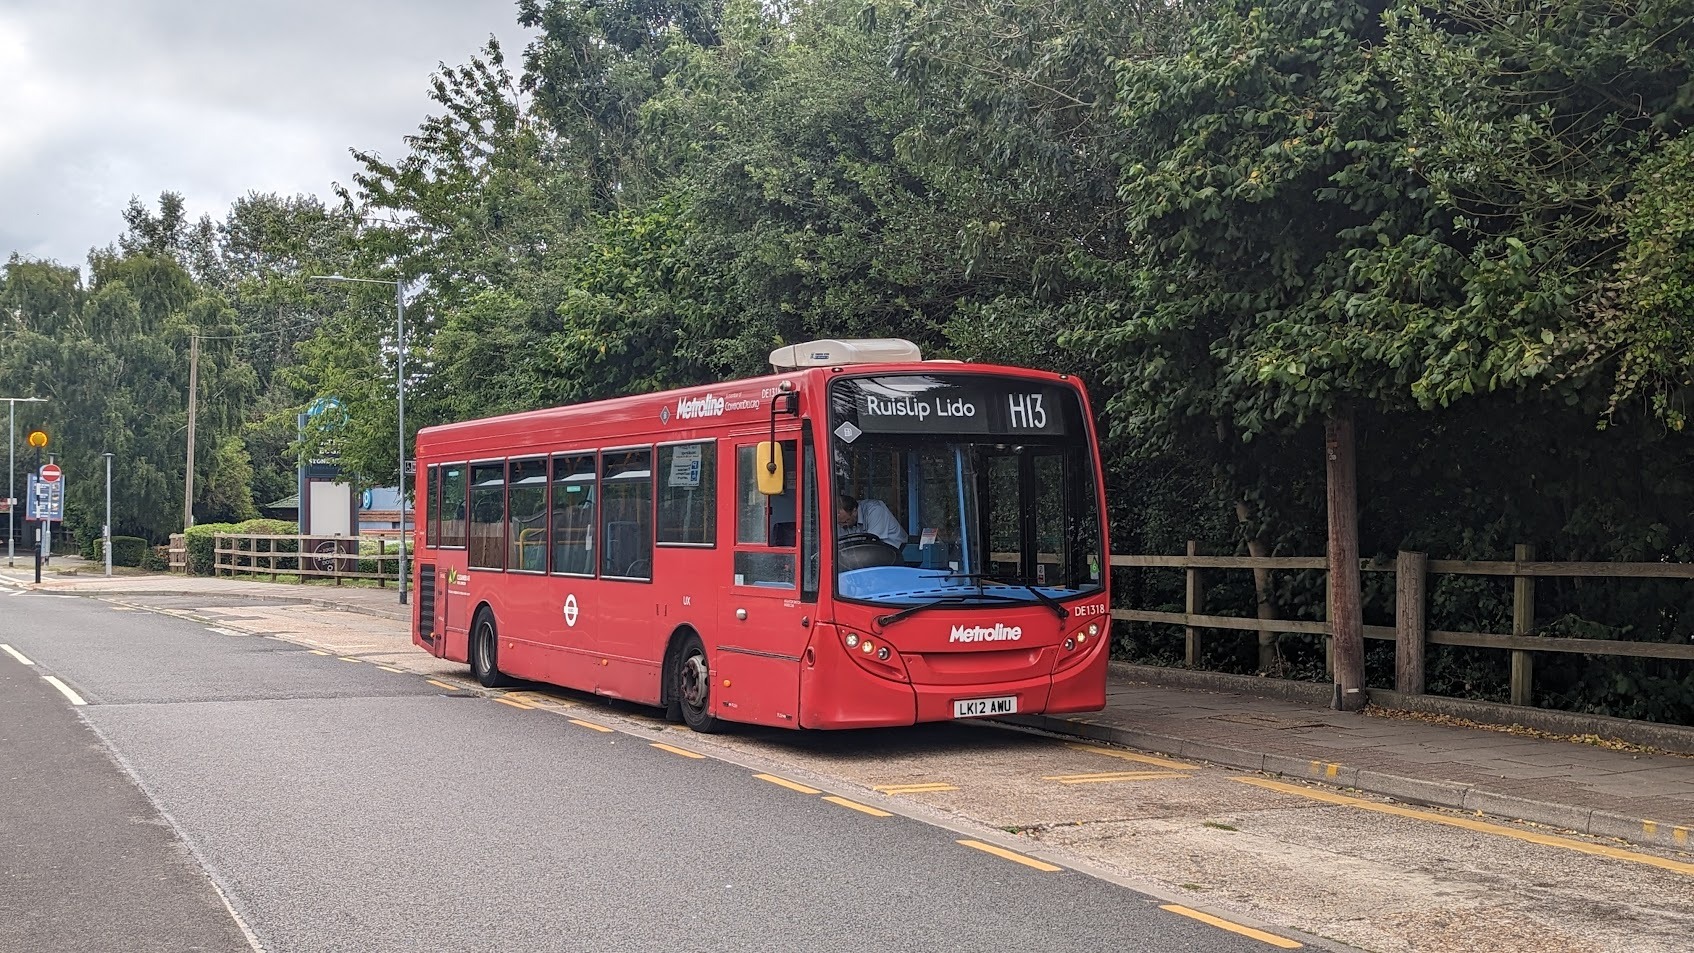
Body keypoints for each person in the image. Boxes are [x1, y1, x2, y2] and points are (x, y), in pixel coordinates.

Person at [836, 493, 907, 549]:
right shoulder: (840, 519)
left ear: (854, 511)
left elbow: (872, 544)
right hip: (863, 552)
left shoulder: (875, 510)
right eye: (839, 523)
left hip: (895, 549)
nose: (842, 526)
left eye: (846, 521)